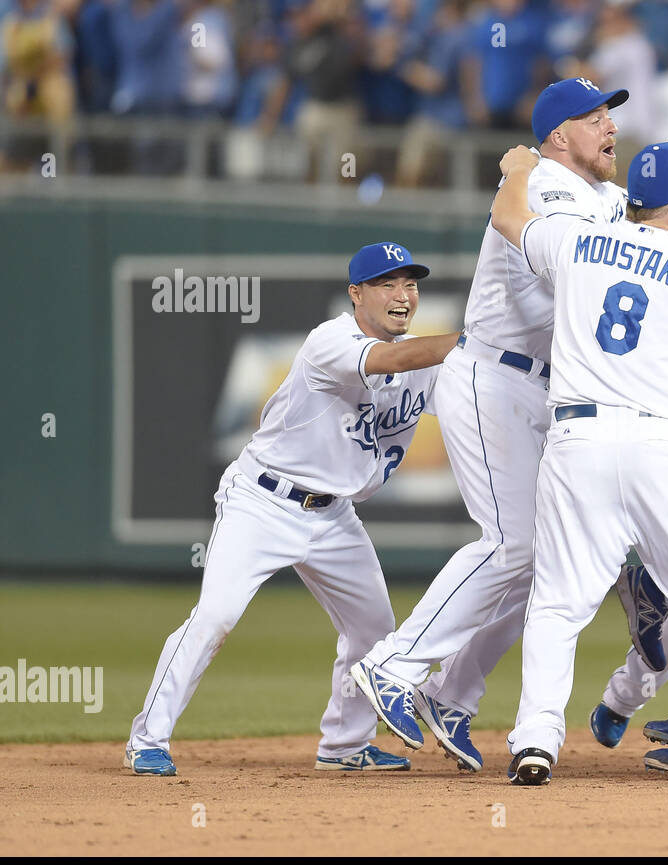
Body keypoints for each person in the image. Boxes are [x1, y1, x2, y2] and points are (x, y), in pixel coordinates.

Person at [348, 78, 629, 771]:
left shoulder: (603, 196)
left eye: (611, 117)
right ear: (557, 135)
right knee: (510, 543)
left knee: (539, 560)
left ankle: (451, 695)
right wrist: (518, 168)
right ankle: (393, 666)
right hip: (492, 374)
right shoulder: (540, 184)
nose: (610, 129)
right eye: (594, 119)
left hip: (540, 387)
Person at [491, 141, 668, 786]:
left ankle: (535, 740)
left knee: (558, 605)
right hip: (664, 447)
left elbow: (509, 221)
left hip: (578, 439)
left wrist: (515, 174)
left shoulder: (576, 240)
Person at [124, 243, 458, 776]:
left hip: (333, 515)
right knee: (216, 615)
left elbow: (476, 391)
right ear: (357, 294)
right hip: (264, 500)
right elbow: (391, 360)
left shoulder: (427, 362)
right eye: (387, 284)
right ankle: (148, 738)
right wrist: (473, 338)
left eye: (411, 284)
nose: (403, 295)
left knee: (373, 629)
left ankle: (345, 745)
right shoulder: (332, 339)